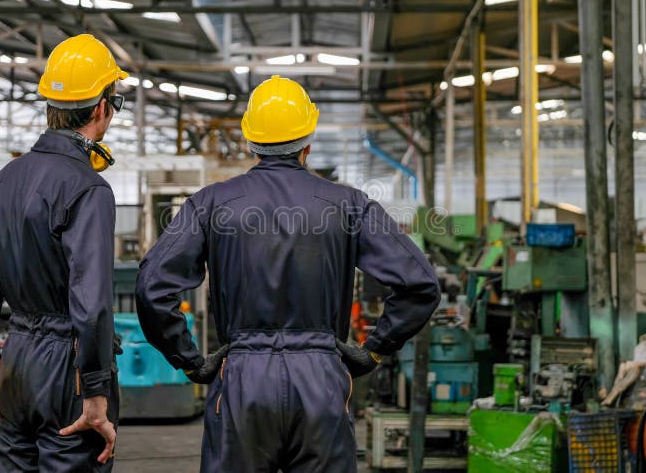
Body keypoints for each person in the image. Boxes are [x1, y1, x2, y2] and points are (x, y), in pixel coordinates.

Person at [135, 75, 440, 472]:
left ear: (250, 141)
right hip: (322, 379)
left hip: (242, 377)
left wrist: (190, 360)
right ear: (308, 140)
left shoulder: (209, 204)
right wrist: (374, 350)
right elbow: (420, 284)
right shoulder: (349, 205)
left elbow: (152, 288)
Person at [0, 34, 127, 472]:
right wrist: (96, 393)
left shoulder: (3, 181)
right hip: (68, 369)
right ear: (102, 108)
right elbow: (91, 304)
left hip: (17, 360)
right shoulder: (89, 189)